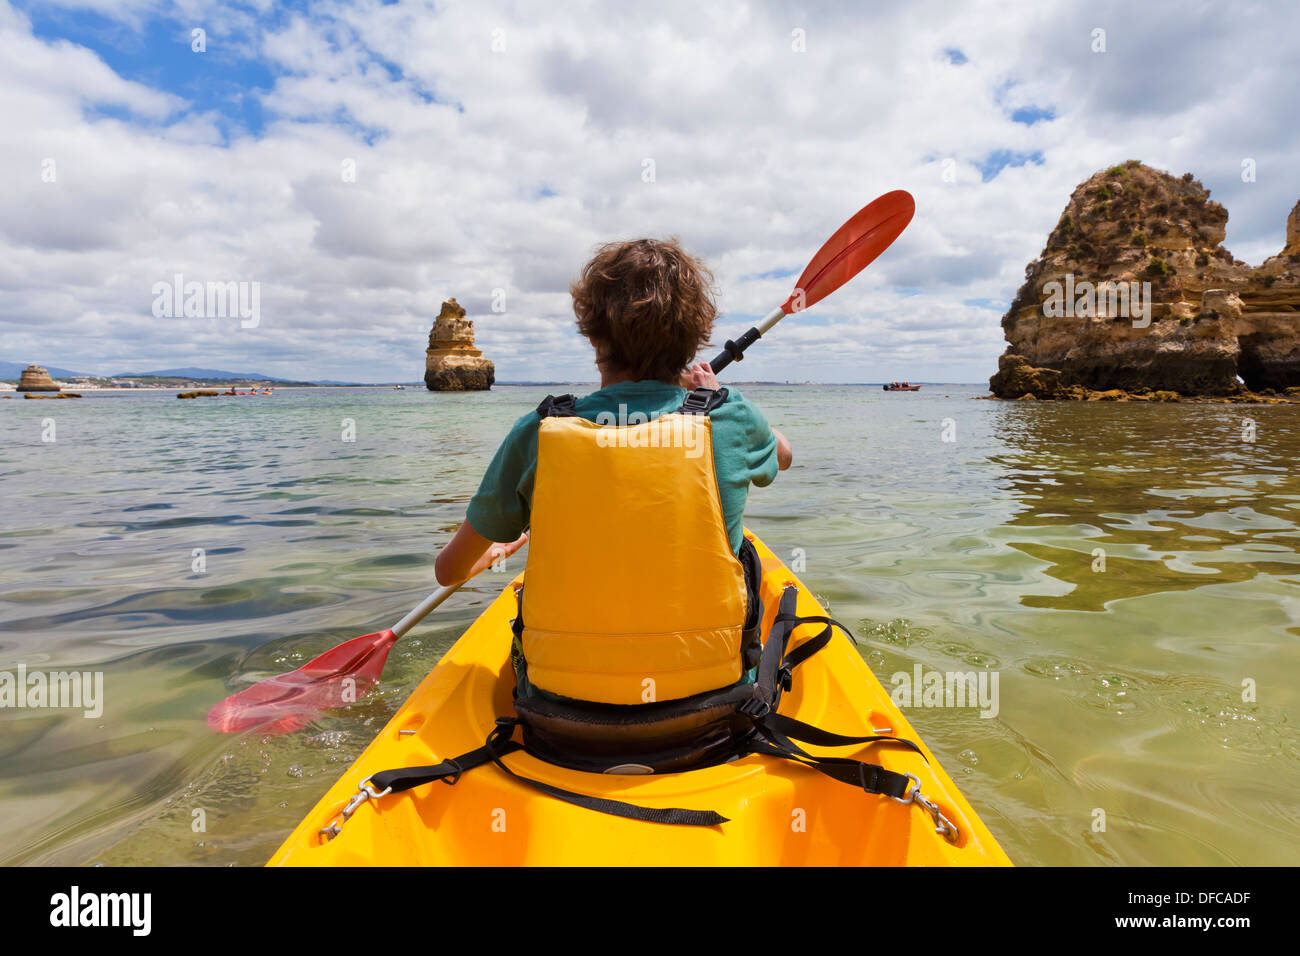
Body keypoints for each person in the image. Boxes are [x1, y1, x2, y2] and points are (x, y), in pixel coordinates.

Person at [433, 237, 791, 715]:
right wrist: (719, 395)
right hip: (713, 706)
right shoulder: (730, 417)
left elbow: (448, 571)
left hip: (559, 713)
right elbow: (783, 456)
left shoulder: (540, 430)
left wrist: (494, 552)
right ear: (695, 337)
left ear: (593, 336)